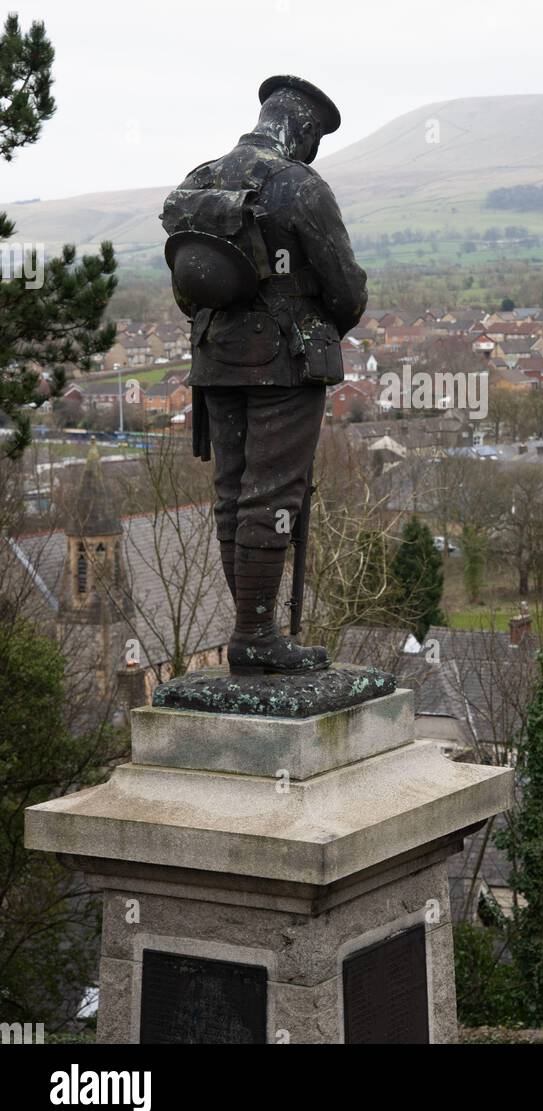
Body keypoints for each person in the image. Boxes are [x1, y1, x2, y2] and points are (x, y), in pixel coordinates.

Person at [162, 75, 368, 671]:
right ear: (302, 130)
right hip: (284, 363)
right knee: (272, 497)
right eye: (314, 138)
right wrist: (310, 324)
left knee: (232, 497)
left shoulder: (198, 180)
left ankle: (252, 633)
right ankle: (257, 639)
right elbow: (346, 289)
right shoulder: (300, 187)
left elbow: (189, 283)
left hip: (214, 359)